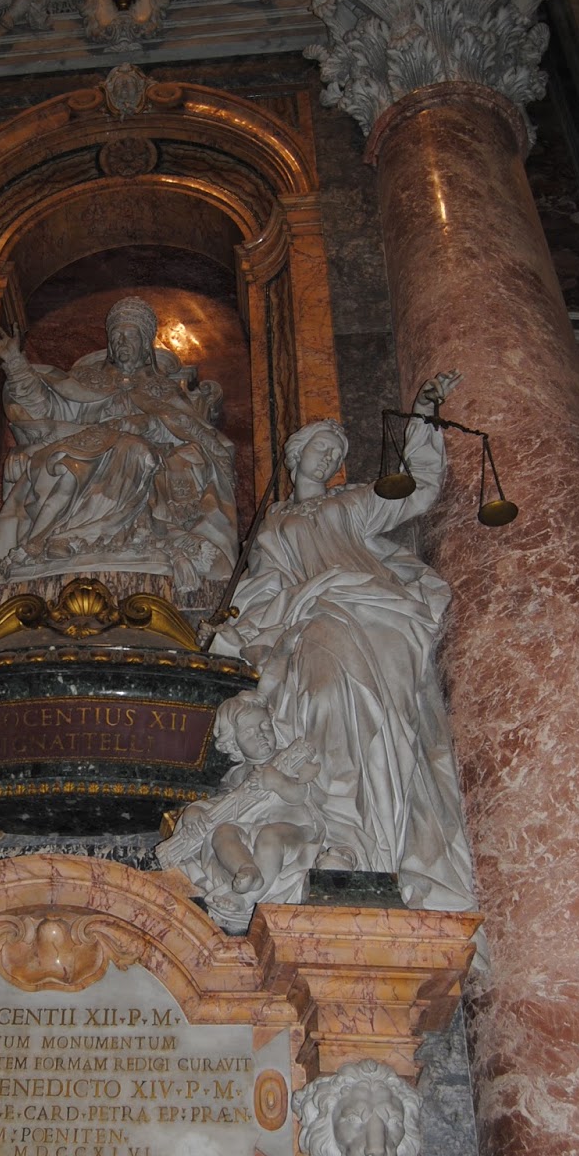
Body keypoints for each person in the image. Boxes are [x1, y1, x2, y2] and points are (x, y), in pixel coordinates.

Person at [213, 373, 474, 911]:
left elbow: (422, 487)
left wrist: (423, 418)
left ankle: (381, 844)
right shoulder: (274, 522)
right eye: (320, 448)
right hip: (314, 615)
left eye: (335, 454)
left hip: (378, 614)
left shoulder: (353, 502)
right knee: (325, 707)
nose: (328, 458)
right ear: (296, 455)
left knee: (387, 723)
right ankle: (347, 839)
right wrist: (238, 630)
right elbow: (265, 586)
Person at [0, 297, 237, 594]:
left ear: (145, 345)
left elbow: (191, 430)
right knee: (68, 466)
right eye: (116, 334)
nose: (121, 340)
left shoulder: (163, 389)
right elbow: (45, 410)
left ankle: (80, 537)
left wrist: (150, 423)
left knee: (135, 450)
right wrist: (15, 363)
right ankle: (46, 541)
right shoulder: (87, 380)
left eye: (130, 334)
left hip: (140, 452)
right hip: (83, 446)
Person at [156, 689, 325, 931]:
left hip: (293, 830)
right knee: (222, 832)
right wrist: (194, 814)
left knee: (269, 836)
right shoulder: (236, 776)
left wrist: (277, 781)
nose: (261, 735)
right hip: (248, 831)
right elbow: (222, 807)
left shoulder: (290, 759)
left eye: (265, 726)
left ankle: (247, 898)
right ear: (233, 742)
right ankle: (246, 869)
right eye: (249, 732)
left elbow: (303, 794)